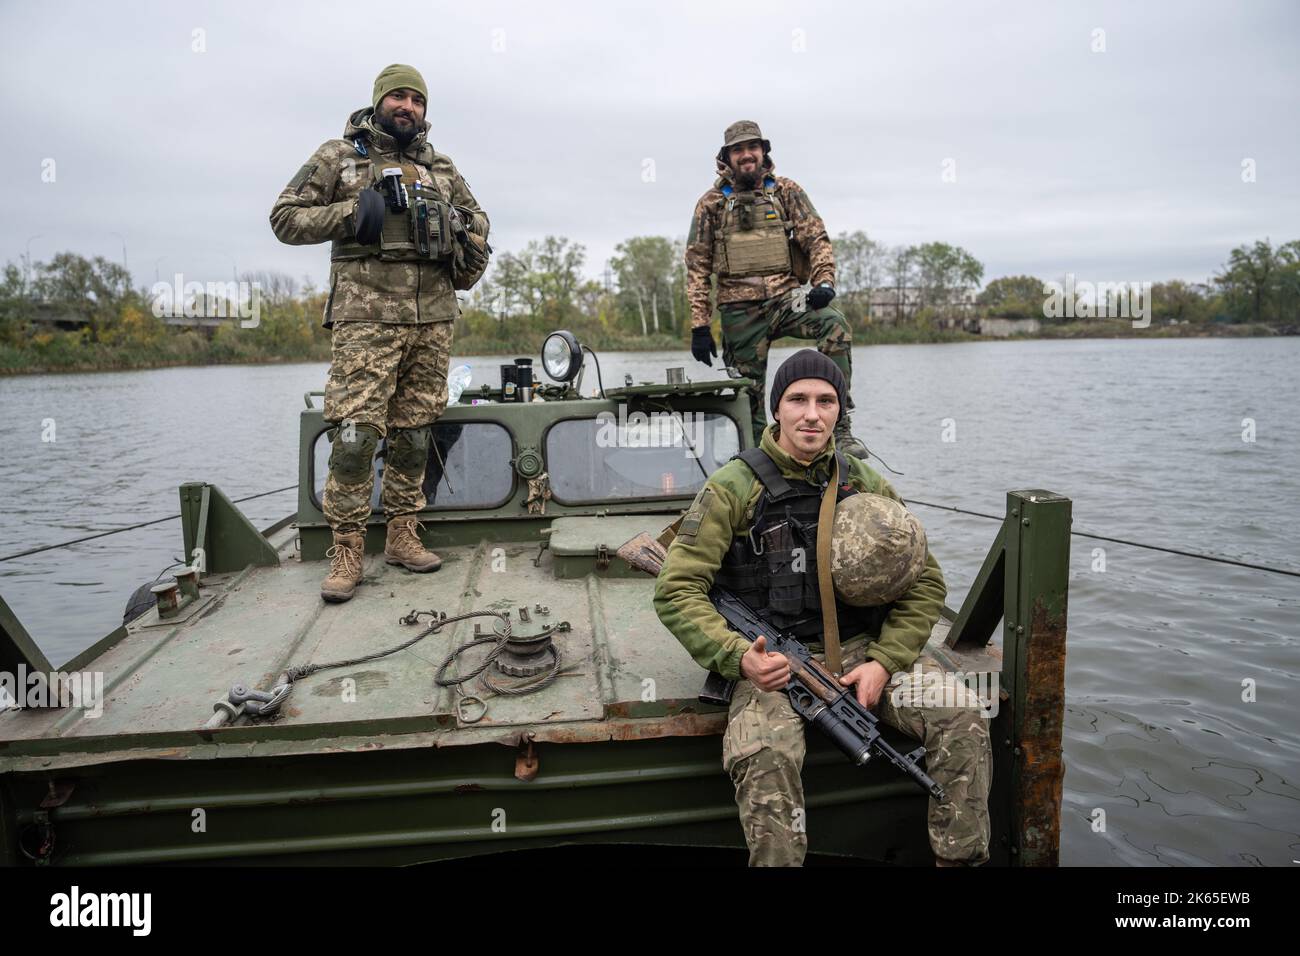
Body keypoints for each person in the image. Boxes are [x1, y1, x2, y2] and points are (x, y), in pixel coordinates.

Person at [653, 349, 991, 866]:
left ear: (839, 411)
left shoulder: (865, 483)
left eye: (826, 401)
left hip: (864, 651)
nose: (812, 413)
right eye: (798, 399)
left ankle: (961, 859)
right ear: (777, 409)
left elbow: (925, 581)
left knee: (964, 714)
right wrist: (739, 656)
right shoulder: (731, 489)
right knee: (764, 757)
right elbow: (678, 590)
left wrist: (884, 661)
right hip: (772, 662)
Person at [270, 64, 489, 603]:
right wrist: (353, 214)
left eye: (416, 99)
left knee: (415, 433)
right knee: (355, 437)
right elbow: (284, 218)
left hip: (433, 317)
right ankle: (346, 548)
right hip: (366, 319)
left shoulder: (441, 165)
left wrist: (459, 226)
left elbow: (480, 220)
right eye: (398, 96)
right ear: (379, 101)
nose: (407, 106)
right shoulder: (339, 157)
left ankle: (401, 535)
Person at [684, 121, 868, 458]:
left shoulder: (786, 191)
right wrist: (699, 324)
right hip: (739, 312)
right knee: (749, 397)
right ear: (726, 157)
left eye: (752, 147)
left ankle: (840, 430)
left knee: (834, 324)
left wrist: (824, 282)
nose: (747, 155)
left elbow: (816, 238)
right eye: (738, 150)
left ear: (763, 151)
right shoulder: (710, 204)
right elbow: (697, 265)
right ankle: (760, 466)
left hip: (787, 299)